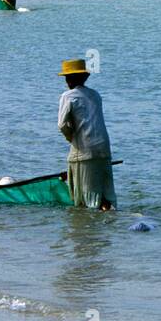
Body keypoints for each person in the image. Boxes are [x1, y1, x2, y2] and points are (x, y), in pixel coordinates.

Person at [56, 58, 116, 210]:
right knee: (103, 192)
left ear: (71, 79)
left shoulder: (68, 96)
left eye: (68, 77)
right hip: (103, 147)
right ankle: (110, 221)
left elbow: (62, 125)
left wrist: (72, 139)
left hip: (84, 149)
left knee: (86, 196)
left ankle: (89, 228)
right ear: (85, 77)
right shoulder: (95, 95)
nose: (67, 81)